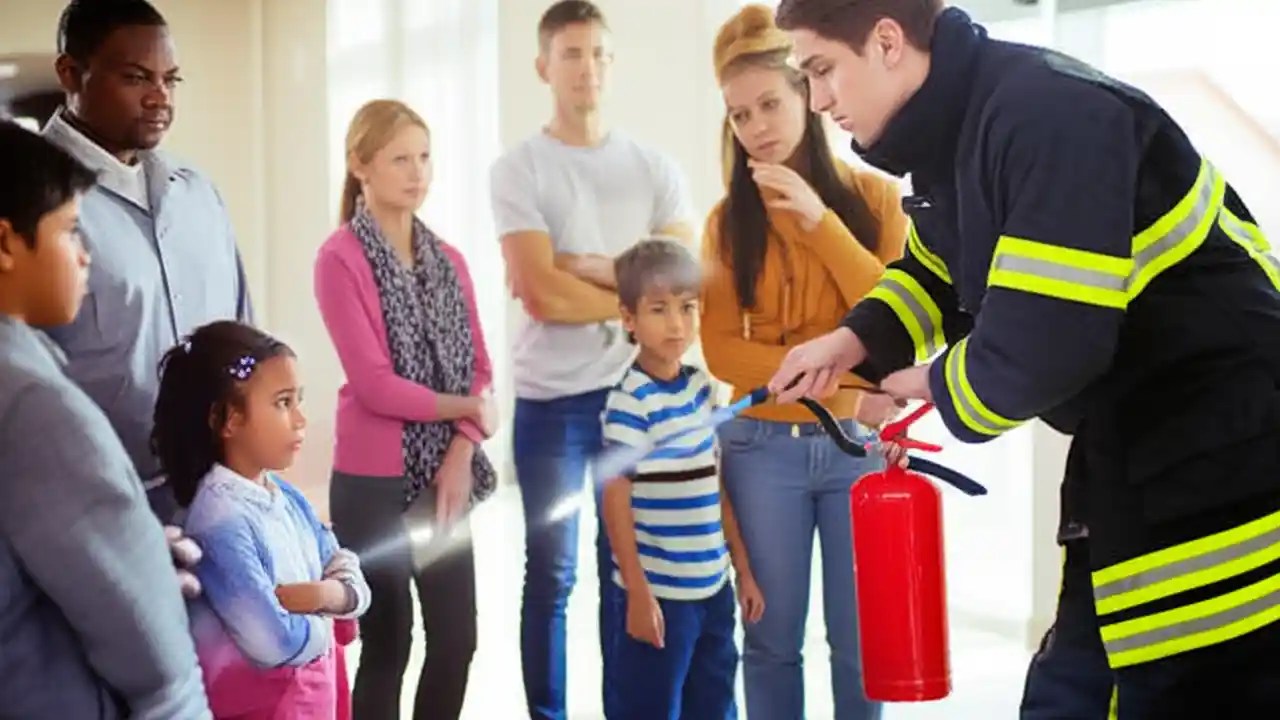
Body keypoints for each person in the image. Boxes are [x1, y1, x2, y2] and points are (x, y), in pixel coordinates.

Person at [768, 1, 1280, 717]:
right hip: (1136, 455)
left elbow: (1043, 346)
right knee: (1072, 690)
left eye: (821, 70)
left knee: (1172, 686)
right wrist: (855, 341)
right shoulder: (960, 133)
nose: (818, 100)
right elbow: (938, 268)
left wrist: (927, 385)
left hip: (1220, 461)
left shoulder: (1053, 116)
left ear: (886, 41)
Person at [699, 6, 908, 718]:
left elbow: (898, 321)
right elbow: (720, 347)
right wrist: (841, 368)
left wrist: (821, 225)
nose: (756, 126)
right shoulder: (727, 224)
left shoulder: (876, 199)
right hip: (761, 451)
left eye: (769, 104)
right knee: (770, 641)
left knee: (860, 646)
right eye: (738, 115)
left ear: (808, 96)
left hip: (858, 450)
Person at [489, 2, 695, 717]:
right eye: (572, 54)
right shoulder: (518, 168)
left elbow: (680, 282)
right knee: (552, 573)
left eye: (600, 54)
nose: (588, 68)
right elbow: (543, 294)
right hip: (551, 404)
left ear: (614, 63)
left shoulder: (654, 167)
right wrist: (633, 289)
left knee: (626, 574)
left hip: (632, 401)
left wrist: (604, 273)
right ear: (545, 66)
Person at [0, 121, 211, 719]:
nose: (86, 254)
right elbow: (164, 678)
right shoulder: (32, 406)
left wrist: (134, 554)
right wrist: (137, 580)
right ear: (6, 245)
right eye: (69, 231)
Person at [315, 99, 498, 720]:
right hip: (371, 482)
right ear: (360, 166)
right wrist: (468, 407)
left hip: (443, 474)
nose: (418, 172)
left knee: (457, 639)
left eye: (424, 156)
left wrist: (461, 450)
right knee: (388, 644)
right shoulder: (339, 258)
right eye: (400, 158)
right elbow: (374, 386)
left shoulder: (451, 261)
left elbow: (481, 367)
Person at [42, 0, 253, 523]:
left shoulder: (198, 192)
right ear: (71, 73)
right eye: (136, 78)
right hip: (97, 512)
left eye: (171, 80)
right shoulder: (33, 203)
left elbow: (244, 334)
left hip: (219, 492)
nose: (160, 98)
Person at [152, 320, 371, 719]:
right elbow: (272, 641)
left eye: (297, 401)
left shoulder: (286, 497)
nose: (301, 419)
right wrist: (334, 608)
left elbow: (344, 563)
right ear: (229, 420)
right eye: (283, 403)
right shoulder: (219, 521)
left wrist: (326, 596)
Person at [599, 239, 764, 720]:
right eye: (659, 309)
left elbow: (716, 489)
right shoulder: (631, 402)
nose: (676, 324)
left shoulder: (699, 387)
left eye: (687, 307)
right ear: (629, 318)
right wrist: (637, 592)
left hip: (713, 593)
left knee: (715, 706)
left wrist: (743, 571)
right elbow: (616, 503)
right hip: (661, 599)